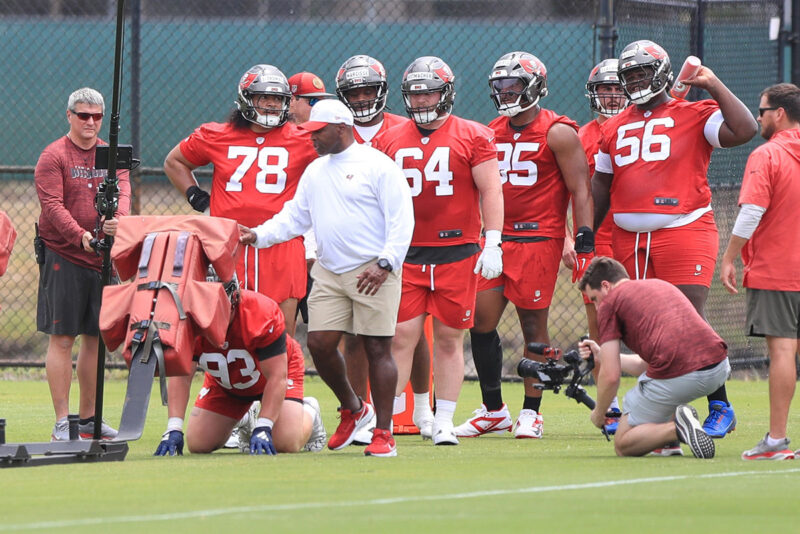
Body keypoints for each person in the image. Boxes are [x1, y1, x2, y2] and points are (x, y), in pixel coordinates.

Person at [591, 40, 757, 437]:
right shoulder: (613, 125)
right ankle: (663, 411)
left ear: (662, 72)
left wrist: (713, 84)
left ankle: (721, 405)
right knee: (645, 325)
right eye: (628, 75)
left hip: (684, 227)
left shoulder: (695, 112)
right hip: (629, 237)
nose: (634, 81)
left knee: (689, 320)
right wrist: (586, 231)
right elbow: (601, 183)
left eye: (641, 72)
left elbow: (746, 129)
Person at [239, 99, 414, 457]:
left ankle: (384, 433)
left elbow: (402, 219)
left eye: (317, 133)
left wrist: (385, 264)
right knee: (318, 343)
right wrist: (257, 235)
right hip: (330, 271)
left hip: (373, 271)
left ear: (340, 128)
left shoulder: (378, 166)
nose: (311, 139)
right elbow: (293, 218)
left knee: (377, 347)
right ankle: (353, 409)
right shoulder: (316, 170)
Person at [453, 52, 591, 440]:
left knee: (534, 326)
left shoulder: (559, 131)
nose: (507, 92)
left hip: (538, 238)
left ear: (536, 86)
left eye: (515, 85)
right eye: (501, 86)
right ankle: (493, 409)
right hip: (496, 239)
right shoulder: (488, 131)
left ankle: (532, 412)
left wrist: (582, 239)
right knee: (480, 322)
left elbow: (580, 188)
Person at [373, 56, 504, 446]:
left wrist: (493, 240)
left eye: (428, 91)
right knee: (400, 336)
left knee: (449, 338)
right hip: (406, 251)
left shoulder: (474, 134)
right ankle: (386, 420)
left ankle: (444, 420)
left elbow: (491, 189)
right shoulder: (389, 137)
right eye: (415, 93)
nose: (421, 100)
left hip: (457, 250)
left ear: (445, 93)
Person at [164, 64, 318, 338]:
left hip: (281, 245)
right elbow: (174, 161)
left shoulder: (304, 138)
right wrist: (199, 199)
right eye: (264, 98)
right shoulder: (217, 134)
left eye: (278, 99)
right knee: (227, 334)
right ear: (246, 98)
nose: (272, 105)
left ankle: (278, 383)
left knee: (280, 336)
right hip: (229, 244)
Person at [335, 54, 435, 440]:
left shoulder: (405, 128)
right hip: (354, 242)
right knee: (355, 333)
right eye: (354, 92)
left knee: (410, 324)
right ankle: (360, 410)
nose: (361, 98)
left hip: (402, 237)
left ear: (383, 91)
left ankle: (425, 407)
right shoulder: (335, 130)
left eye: (368, 90)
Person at [34, 87, 131, 441]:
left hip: (102, 258)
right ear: (69, 116)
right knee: (62, 338)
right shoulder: (53, 155)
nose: (90, 122)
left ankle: (89, 419)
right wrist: (82, 237)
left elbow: (123, 195)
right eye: (83, 115)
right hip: (64, 253)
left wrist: (118, 222)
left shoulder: (112, 154)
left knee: (95, 337)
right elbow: (52, 206)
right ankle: (63, 421)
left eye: (96, 116)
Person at [578, 257, 730, 459]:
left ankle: (676, 429)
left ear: (605, 286)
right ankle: (669, 442)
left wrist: (599, 414)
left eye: (595, 299)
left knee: (623, 443)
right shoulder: (659, 285)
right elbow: (645, 365)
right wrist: (601, 356)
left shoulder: (611, 303)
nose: (597, 307)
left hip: (683, 375)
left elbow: (611, 376)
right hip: (719, 368)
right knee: (660, 380)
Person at [720, 83, 800, 461]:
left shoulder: (767, 155)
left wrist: (729, 256)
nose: (758, 116)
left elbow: (751, 211)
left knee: (783, 350)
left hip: (779, 269)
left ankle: (777, 440)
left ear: (779, 114)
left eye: (762, 110)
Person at [153, 281, 325, 456]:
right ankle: (245, 416)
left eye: (218, 306)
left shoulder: (261, 312)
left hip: (275, 373)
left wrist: (264, 424)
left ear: (234, 299)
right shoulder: (187, 320)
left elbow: (276, 376)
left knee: (284, 442)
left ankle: (310, 412)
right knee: (199, 443)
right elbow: (182, 375)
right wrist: (173, 427)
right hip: (226, 380)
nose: (211, 316)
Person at [573, 58, 629, 435]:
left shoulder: (639, 125)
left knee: (639, 320)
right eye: (604, 89)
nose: (610, 95)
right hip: (595, 236)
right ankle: (611, 407)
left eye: (616, 88)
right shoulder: (580, 135)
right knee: (599, 326)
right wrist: (570, 238)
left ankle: (646, 399)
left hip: (630, 232)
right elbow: (569, 192)